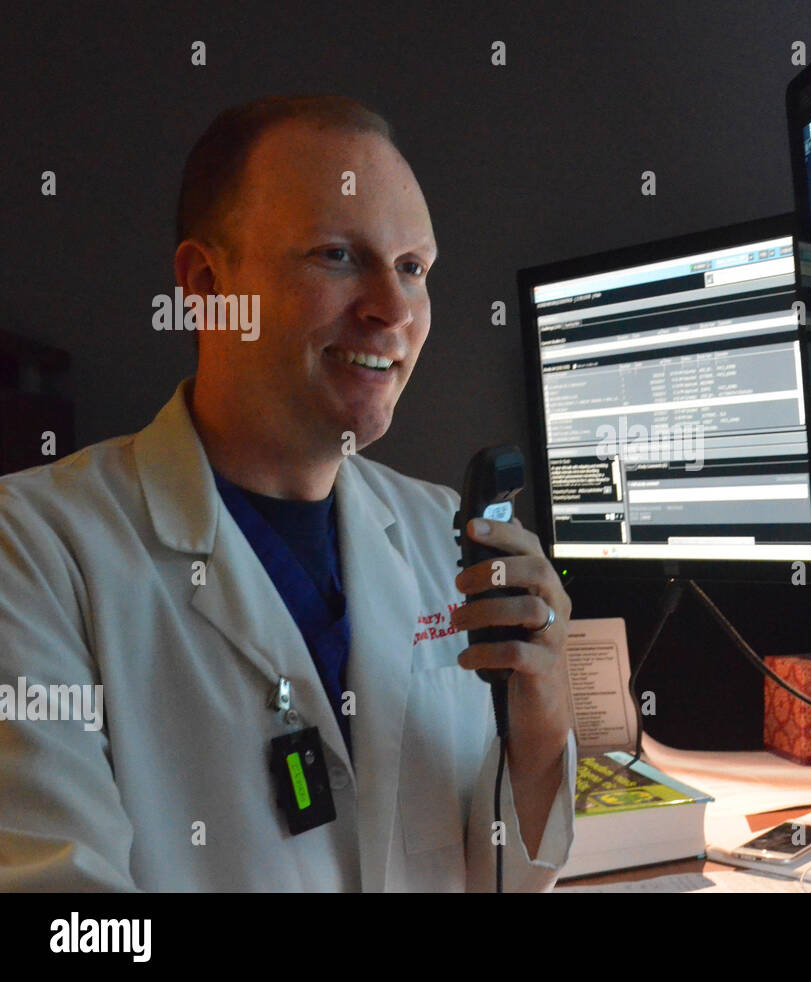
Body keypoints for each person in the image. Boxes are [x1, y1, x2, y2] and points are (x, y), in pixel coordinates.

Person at [0, 95, 576, 891]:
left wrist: (539, 727)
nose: (393, 309)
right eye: (337, 256)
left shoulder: (445, 530)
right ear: (206, 284)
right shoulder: (34, 550)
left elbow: (502, 877)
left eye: (412, 267)